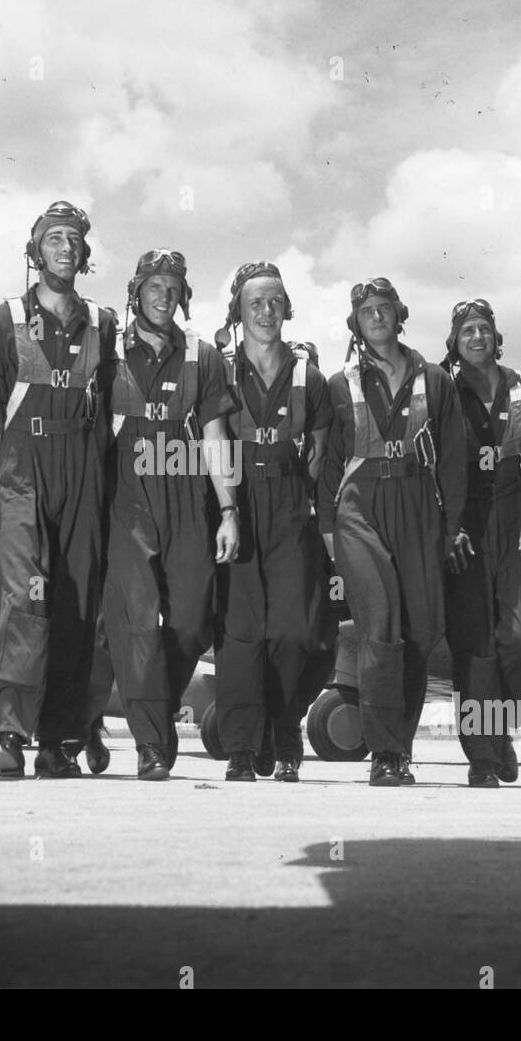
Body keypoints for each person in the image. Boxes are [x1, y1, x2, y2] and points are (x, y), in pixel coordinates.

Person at [0, 201, 118, 778]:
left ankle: (59, 738)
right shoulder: (2, 319)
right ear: (35, 251)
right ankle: (10, 731)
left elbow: (112, 411)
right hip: (21, 469)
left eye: (75, 240)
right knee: (22, 600)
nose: (66, 247)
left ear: (84, 254)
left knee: (76, 607)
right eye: (55, 239)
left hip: (83, 469)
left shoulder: (105, 323)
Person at [318, 279, 467, 786]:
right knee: (379, 625)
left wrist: (451, 528)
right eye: (367, 311)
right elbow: (329, 461)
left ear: (399, 315)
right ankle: (385, 754)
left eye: (384, 308)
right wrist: (326, 529)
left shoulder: (435, 380)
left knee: (421, 632)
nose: (376, 316)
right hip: (359, 506)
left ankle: (399, 746)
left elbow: (452, 458)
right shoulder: (340, 383)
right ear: (356, 323)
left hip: (419, 503)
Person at [104, 249, 239, 780]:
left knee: (190, 620)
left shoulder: (203, 356)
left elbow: (215, 436)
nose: (163, 295)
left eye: (172, 287)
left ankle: (154, 704)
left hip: (186, 491)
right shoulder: (106, 348)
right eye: (153, 286)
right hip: (125, 492)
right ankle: (152, 746)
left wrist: (228, 509)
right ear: (135, 292)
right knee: (136, 621)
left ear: (183, 295)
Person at [212, 263, 332, 781]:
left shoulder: (312, 378)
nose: (265, 311)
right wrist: (227, 510)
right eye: (254, 302)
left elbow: (321, 456)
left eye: (274, 301)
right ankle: (243, 748)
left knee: (294, 632)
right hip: (235, 498)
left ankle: (284, 730)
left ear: (287, 309)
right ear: (239, 311)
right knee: (240, 634)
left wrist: (297, 501)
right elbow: (213, 442)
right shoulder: (218, 371)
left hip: (290, 503)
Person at [442, 299, 521, 787]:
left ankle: (502, 730)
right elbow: (435, 465)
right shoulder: (442, 392)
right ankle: (482, 757)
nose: (476, 337)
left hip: (518, 526)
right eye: (467, 330)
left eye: (484, 329)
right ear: (455, 340)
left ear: (496, 335)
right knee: (475, 649)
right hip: (467, 529)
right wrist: (449, 526)